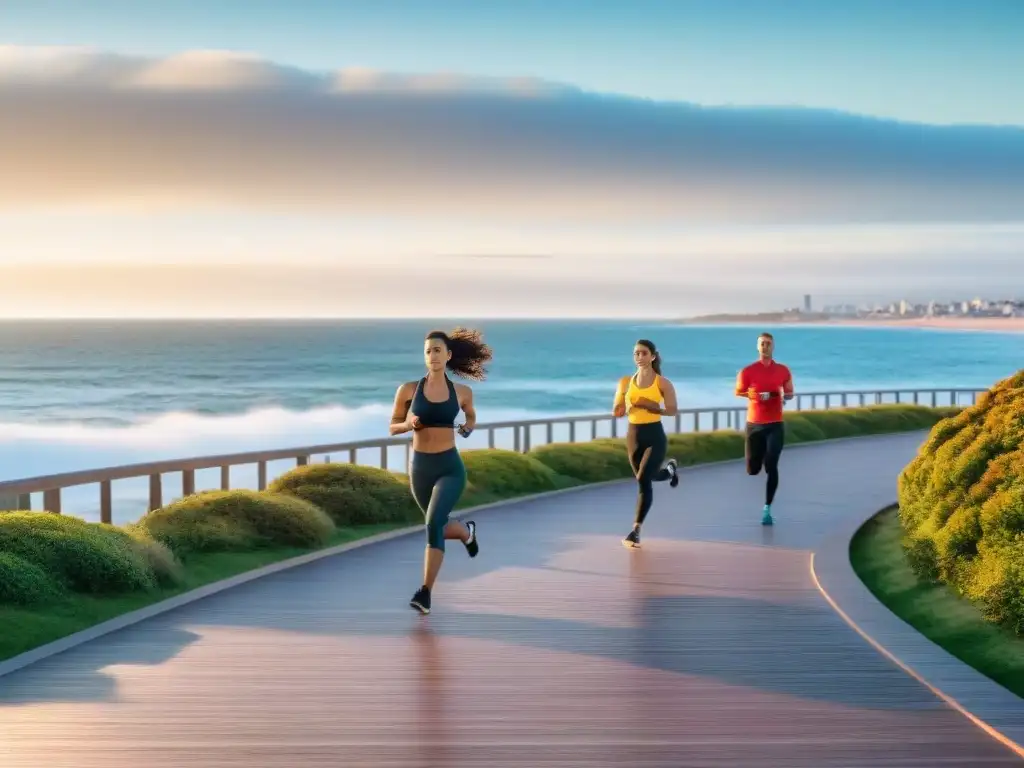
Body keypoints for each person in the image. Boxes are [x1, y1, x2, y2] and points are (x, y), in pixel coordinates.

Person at [390, 327, 492, 615]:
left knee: (432, 524)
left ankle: (425, 593)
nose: (432, 355)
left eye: (437, 350)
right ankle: (464, 532)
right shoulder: (408, 390)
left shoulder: (462, 392)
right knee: (437, 524)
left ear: (448, 355)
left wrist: (468, 427)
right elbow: (392, 426)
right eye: (427, 351)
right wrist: (408, 425)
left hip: (449, 467)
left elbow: (471, 416)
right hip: (420, 468)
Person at [612, 338, 680, 548]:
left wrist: (653, 407)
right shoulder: (625, 382)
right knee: (645, 478)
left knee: (643, 480)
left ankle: (636, 531)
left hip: (654, 436)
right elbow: (617, 409)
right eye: (636, 354)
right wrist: (619, 409)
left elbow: (672, 410)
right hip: (634, 435)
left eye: (643, 353)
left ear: (652, 356)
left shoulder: (663, 383)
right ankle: (669, 471)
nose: (639, 357)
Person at [734, 331, 794, 526]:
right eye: (762, 344)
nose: (765, 346)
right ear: (757, 347)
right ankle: (756, 465)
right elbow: (739, 391)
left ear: (773, 346)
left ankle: (767, 508)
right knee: (753, 469)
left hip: (775, 424)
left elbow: (790, 393)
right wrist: (753, 395)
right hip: (754, 425)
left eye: (768, 343)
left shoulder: (783, 370)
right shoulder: (747, 371)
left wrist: (782, 396)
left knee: (772, 465)